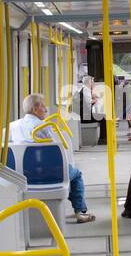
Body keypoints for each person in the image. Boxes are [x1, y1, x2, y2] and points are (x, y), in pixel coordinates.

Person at [10, 92, 95, 223]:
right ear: (35, 109)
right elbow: (56, 150)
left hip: (23, 173)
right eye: (43, 106)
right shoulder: (43, 127)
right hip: (48, 172)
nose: (46, 110)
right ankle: (80, 211)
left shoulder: (14, 126)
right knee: (76, 175)